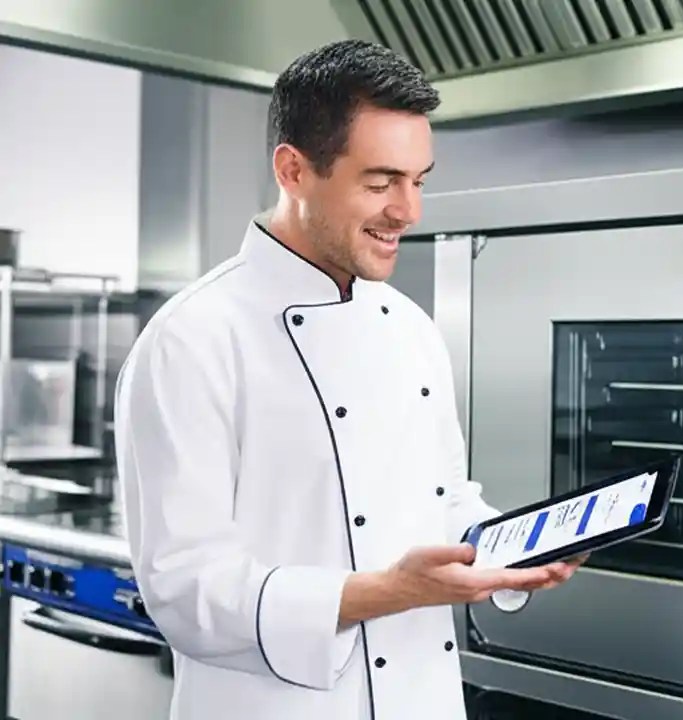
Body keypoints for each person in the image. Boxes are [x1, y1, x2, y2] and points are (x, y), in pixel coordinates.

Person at [114, 39, 582, 720]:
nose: (409, 212)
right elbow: (185, 590)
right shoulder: (192, 340)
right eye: (380, 181)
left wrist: (516, 547)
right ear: (294, 170)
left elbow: (446, 501)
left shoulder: (412, 328)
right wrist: (388, 591)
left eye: (420, 180)